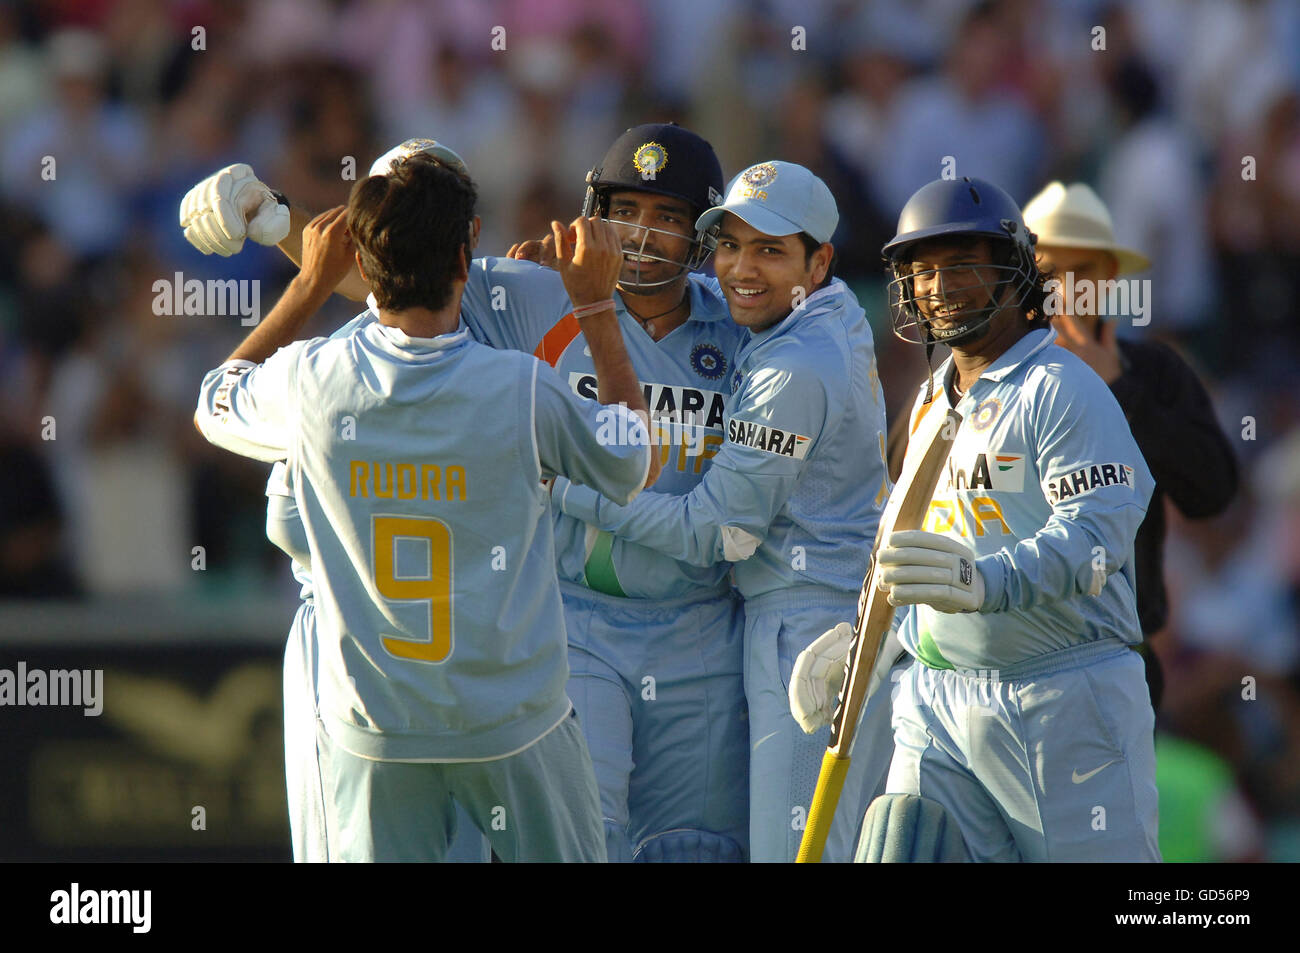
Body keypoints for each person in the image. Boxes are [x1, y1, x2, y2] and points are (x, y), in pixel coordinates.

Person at [181, 124, 751, 863]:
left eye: (668, 216)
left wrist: (298, 263)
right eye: (629, 210)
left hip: (378, 699)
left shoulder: (317, 379)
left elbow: (228, 391)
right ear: (467, 247)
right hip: (520, 683)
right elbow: (627, 460)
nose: (641, 234)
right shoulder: (515, 378)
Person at [796, 176, 1161, 862]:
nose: (940, 285)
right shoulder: (934, 395)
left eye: (963, 264)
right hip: (935, 698)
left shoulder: (1062, 388)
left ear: (1015, 273)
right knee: (901, 847)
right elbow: (907, 543)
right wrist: (873, 646)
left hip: (1062, 697)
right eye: (924, 269)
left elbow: (1096, 541)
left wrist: (988, 580)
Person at [550, 160, 891, 862]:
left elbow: (716, 532)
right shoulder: (833, 312)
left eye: (769, 250)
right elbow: (727, 288)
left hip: (804, 628)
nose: (741, 268)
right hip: (818, 615)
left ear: (819, 259)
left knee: (796, 853)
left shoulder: (792, 368)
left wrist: (569, 489)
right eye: (730, 245)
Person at [1021, 180, 1238, 711]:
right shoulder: (985, 372)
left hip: (1122, 660)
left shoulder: (1155, 374)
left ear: (1111, 277)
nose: (1067, 290)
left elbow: (1213, 490)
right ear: (1023, 278)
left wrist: (1120, 388)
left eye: (1084, 272)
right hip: (1010, 659)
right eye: (1051, 273)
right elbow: (902, 469)